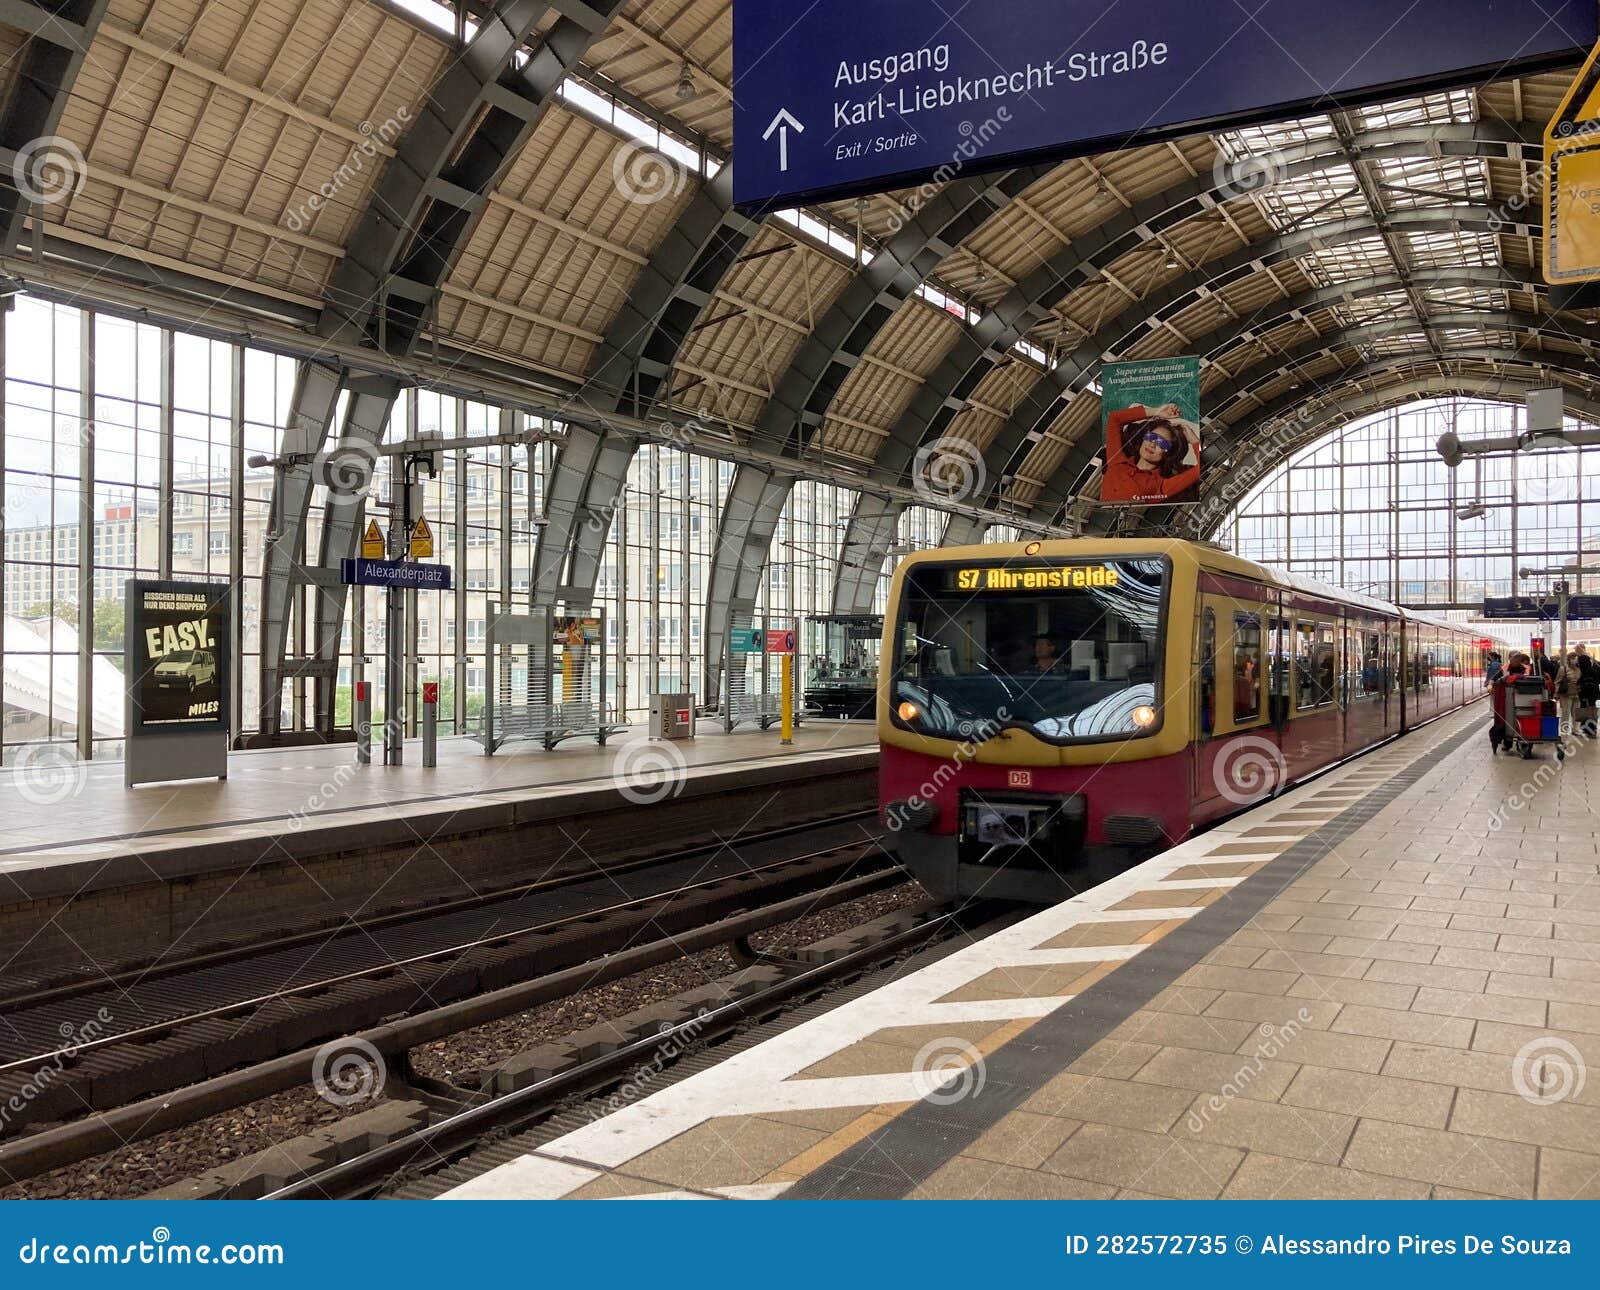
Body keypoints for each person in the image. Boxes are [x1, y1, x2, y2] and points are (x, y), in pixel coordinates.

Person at [1100, 402, 1202, 504]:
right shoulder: (1117, 462)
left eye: (1161, 443)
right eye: (1151, 437)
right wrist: (1157, 412)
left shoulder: (1160, 486)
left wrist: (1194, 441)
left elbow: (1199, 469)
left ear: (1168, 453)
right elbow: (1114, 418)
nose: (1152, 444)